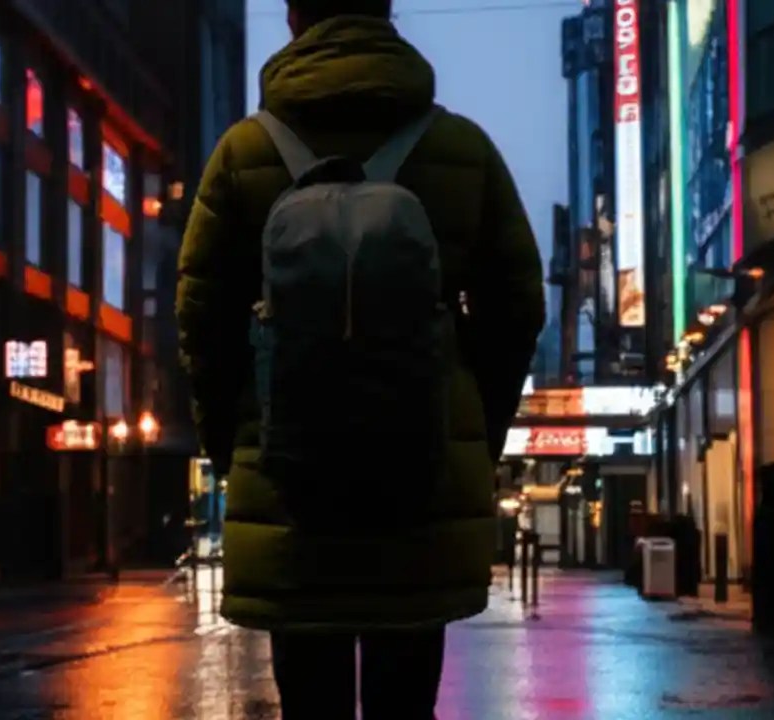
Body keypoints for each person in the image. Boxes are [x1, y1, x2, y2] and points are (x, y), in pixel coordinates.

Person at [177, 0, 544, 717]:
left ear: (292, 20)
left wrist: (237, 449)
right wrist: (468, 427)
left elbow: (203, 324)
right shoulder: (462, 150)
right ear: (388, 13)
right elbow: (518, 308)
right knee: (404, 701)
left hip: (290, 488)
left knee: (308, 703)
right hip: (421, 487)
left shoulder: (243, 153)